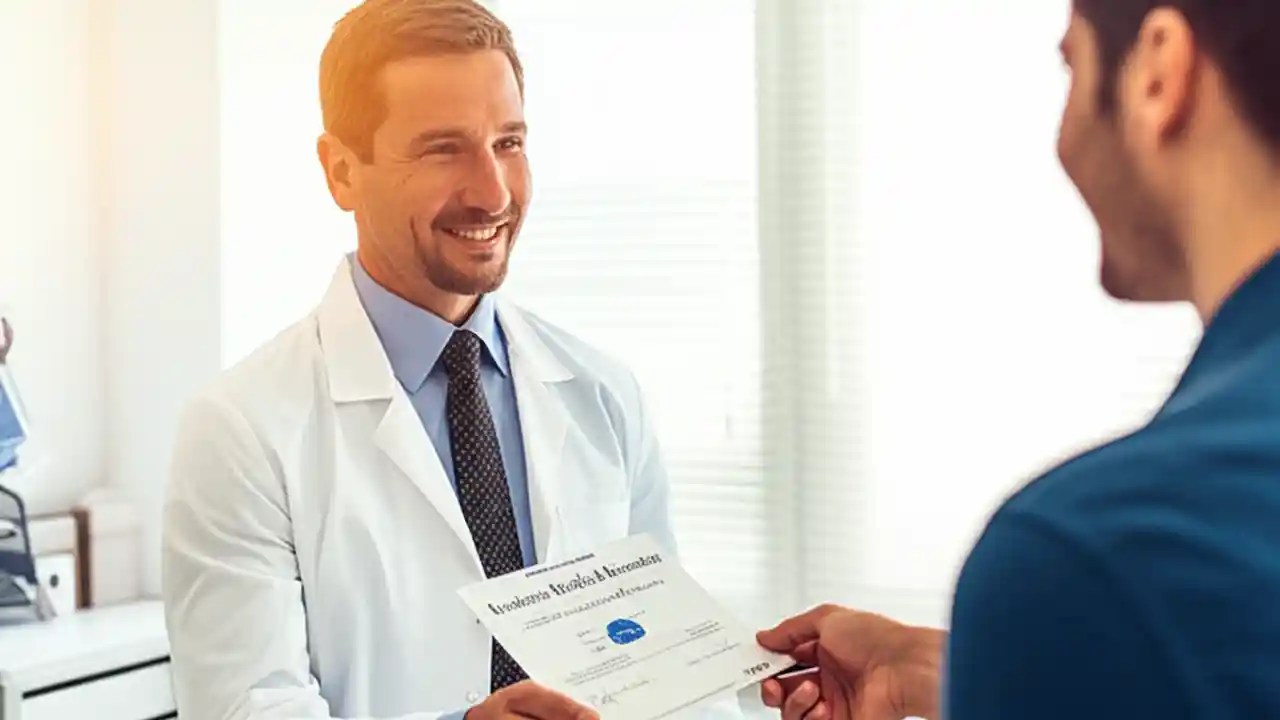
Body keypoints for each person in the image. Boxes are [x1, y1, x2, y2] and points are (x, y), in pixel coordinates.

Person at [757, 1, 1280, 718]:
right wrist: (967, 669)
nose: (1064, 136)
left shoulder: (1100, 556)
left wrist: (1045, 631)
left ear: (1160, 72)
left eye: (1072, 66)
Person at [161, 2, 682, 719]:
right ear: (342, 171)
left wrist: (785, 692)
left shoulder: (605, 394)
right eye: (443, 150)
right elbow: (245, 707)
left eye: (508, 142)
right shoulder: (240, 430)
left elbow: (664, 675)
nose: (492, 193)